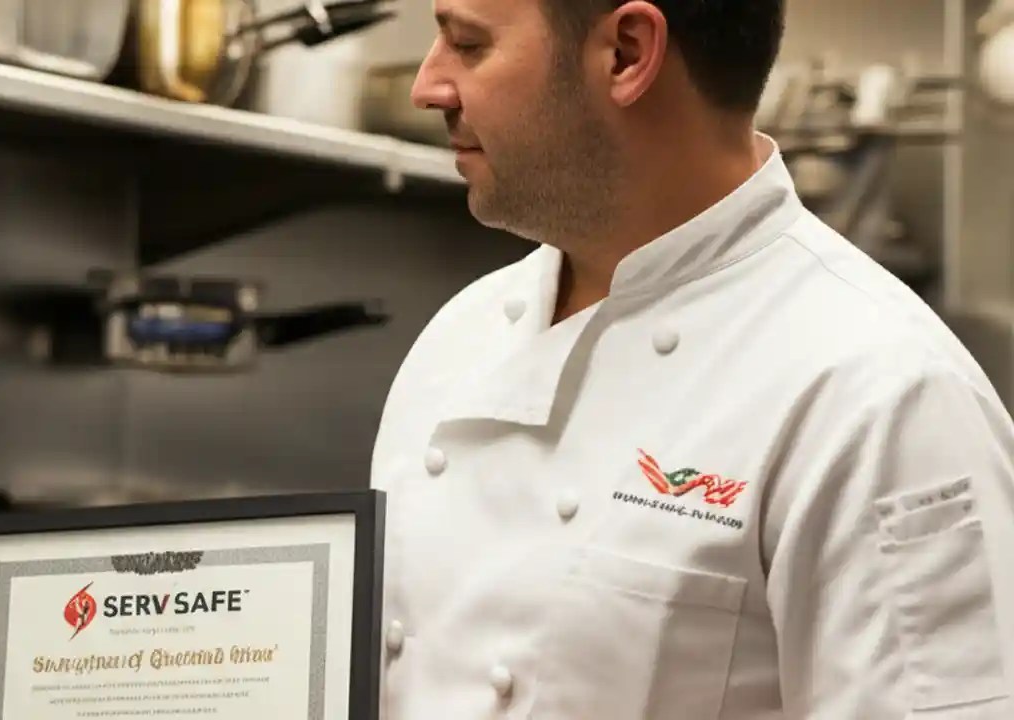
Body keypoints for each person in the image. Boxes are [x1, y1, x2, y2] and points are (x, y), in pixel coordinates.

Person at [368, 0, 1014, 718]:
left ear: (627, 54)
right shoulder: (458, 339)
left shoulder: (882, 394)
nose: (428, 85)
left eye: (467, 44)